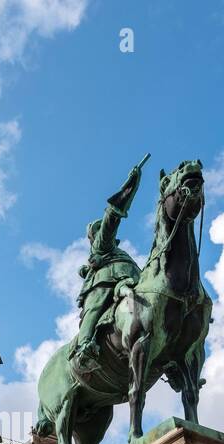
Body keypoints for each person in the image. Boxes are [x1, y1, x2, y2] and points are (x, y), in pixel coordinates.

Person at [70, 155, 148, 365]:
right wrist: (130, 186)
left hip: (130, 279)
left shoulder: (118, 251)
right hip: (106, 282)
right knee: (94, 308)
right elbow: (112, 216)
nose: (105, 230)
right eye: (101, 228)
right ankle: (84, 346)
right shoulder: (102, 244)